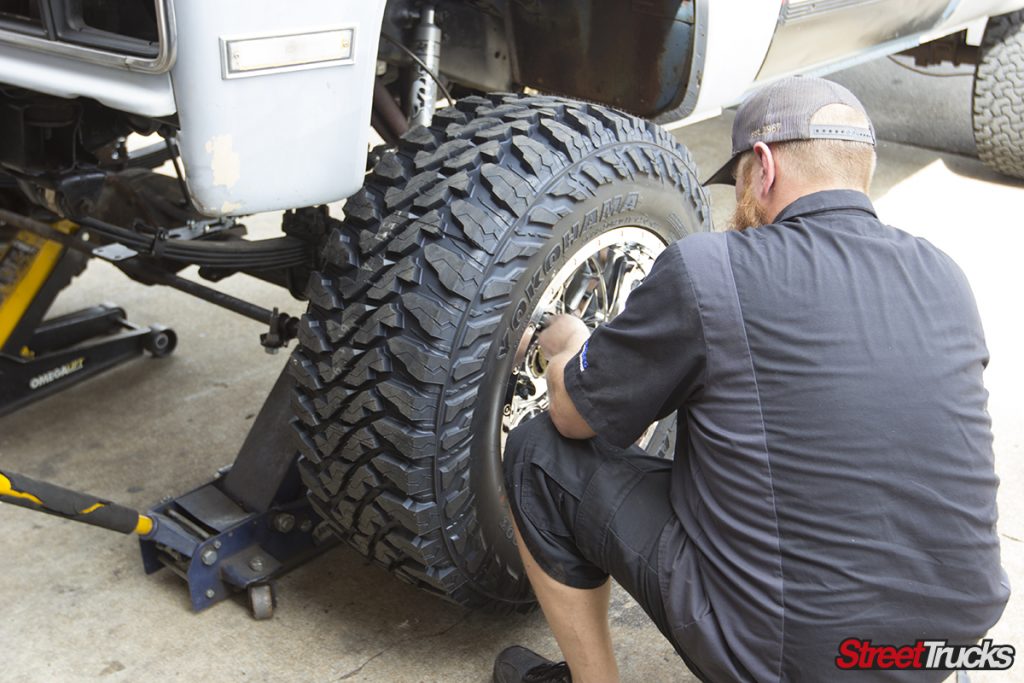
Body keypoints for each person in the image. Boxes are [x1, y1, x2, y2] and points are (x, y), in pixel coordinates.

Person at [492, 76, 1010, 683]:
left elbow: (570, 414)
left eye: (737, 179)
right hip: (947, 649)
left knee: (537, 451)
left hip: (806, 662)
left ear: (762, 167)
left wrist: (571, 348)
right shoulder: (945, 276)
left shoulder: (712, 270)